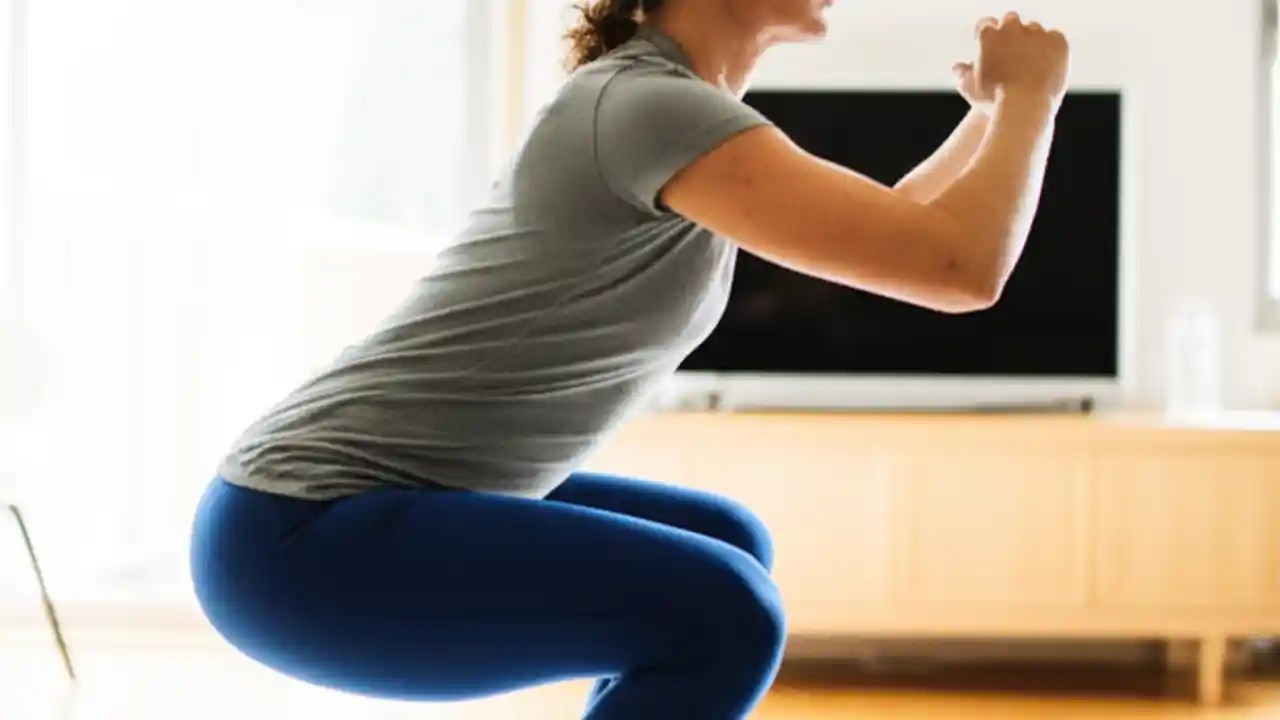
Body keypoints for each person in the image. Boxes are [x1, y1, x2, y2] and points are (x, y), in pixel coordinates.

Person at [188, 1, 1071, 718]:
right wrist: (1036, 100)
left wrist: (991, 117)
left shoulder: (673, 107)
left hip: (341, 510)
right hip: (300, 535)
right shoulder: (655, 107)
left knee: (726, 546)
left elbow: (899, 221)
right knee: (724, 613)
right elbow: (959, 269)